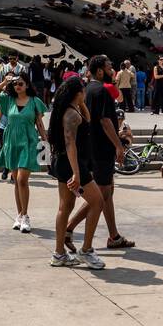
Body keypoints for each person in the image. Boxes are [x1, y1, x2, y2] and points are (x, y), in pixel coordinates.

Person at [66, 55, 135, 251]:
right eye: (108, 66)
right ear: (99, 71)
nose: (112, 69)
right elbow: (106, 122)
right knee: (101, 193)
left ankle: (114, 236)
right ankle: (68, 229)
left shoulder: (87, 90)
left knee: (108, 192)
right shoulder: (102, 91)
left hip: (90, 148)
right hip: (101, 149)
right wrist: (118, 146)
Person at [47, 75, 105, 269]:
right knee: (97, 201)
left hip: (65, 163)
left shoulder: (70, 110)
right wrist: (77, 174)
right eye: (83, 90)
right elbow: (70, 143)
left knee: (66, 206)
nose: (85, 93)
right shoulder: (70, 115)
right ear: (78, 93)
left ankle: (59, 254)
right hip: (72, 164)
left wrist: (80, 102)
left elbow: (88, 119)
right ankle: (86, 250)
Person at [0, 72, 49, 232]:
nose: (17, 86)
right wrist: (4, 82)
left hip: (29, 142)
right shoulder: (8, 100)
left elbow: (39, 123)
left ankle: (25, 216)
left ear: (27, 85)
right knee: (16, 180)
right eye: (15, 83)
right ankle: (19, 215)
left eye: (21, 83)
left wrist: (45, 144)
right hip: (11, 142)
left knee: (23, 179)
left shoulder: (35, 101)